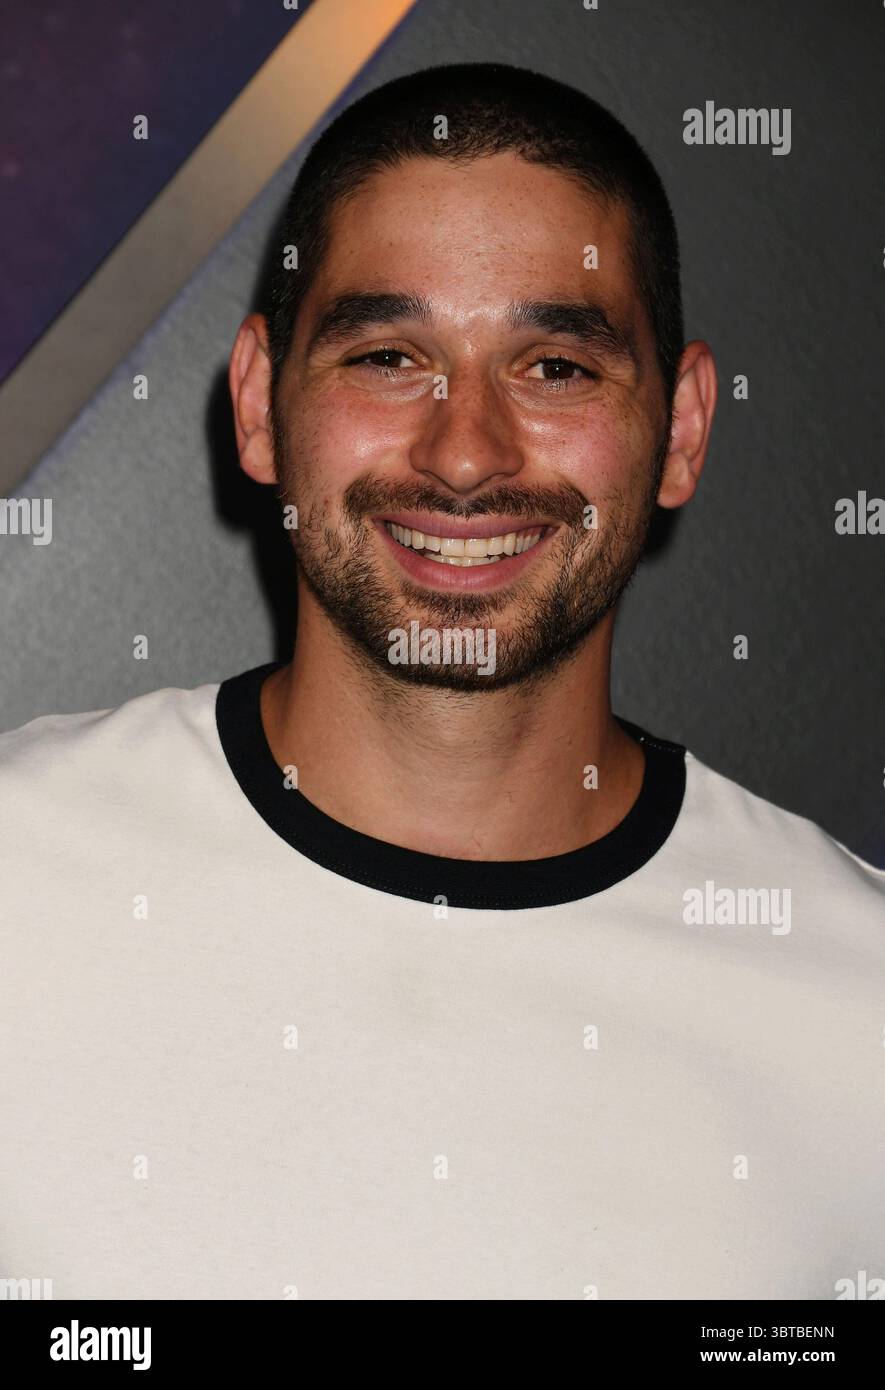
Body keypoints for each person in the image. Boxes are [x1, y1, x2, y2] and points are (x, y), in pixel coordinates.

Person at [1, 63, 882, 1302]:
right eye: (387, 355)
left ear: (681, 431)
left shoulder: (860, 1008)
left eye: (556, 368)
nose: (464, 451)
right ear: (259, 405)